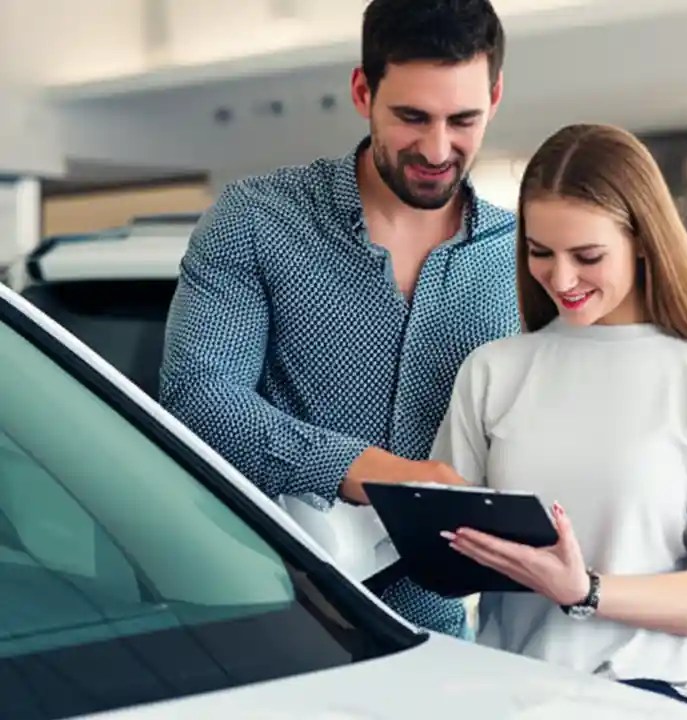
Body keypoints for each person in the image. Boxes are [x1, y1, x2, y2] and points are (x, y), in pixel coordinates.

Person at [428, 123, 687, 715]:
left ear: (641, 240)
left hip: (647, 701)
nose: (560, 279)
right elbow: (454, 547)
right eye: (540, 253)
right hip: (509, 696)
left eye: (587, 256)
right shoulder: (492, 372)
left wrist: (586, 591)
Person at [159, 0, 514, 638]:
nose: (437, 148)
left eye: (463, 119)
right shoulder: (255, 220)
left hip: (444, 638)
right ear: (362, 91)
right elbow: (199, 399)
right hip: (271, 614)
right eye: (412, 117)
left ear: (495, 97)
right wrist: (377, 473)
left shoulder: (522, 261)